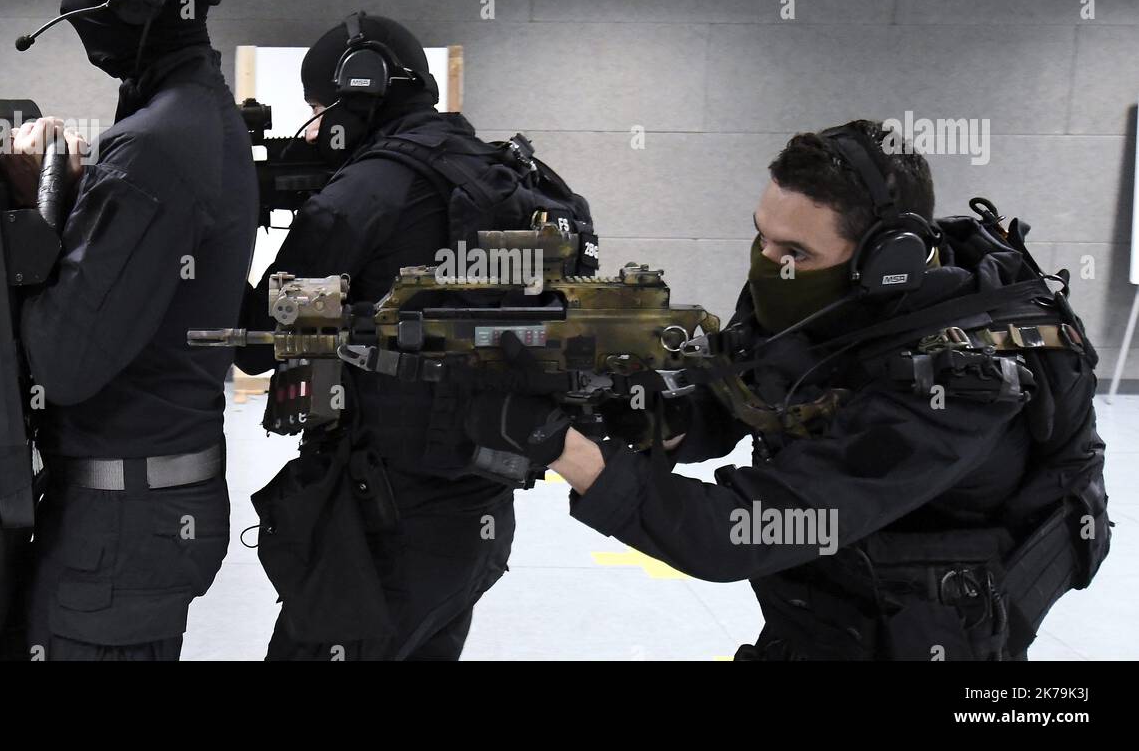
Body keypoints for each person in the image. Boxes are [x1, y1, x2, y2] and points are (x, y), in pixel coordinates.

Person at [465, 120, 1111, 661]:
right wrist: (613, 400)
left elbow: (738, 531)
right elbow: (742, 397)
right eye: (762, 236)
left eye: (794, 249)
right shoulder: (827, 301)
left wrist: (556, 445)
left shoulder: (958, 385)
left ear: (888, 259)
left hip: (921, 641)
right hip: (825, 611)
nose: (769, 262)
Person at [238, 12, 595, 660]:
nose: (317, 129)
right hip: (479, 512)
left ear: (359, 90)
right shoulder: (507, 177)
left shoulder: (363, 192)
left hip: (384, 527)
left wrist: (229, 229)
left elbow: (258, 344)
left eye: (320, 108)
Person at [0, 0, 257, 660]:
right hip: (147, 507)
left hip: (123, 519)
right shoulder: (195, 117)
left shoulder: (154, 146)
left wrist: (39, 211)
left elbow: (63, 361)